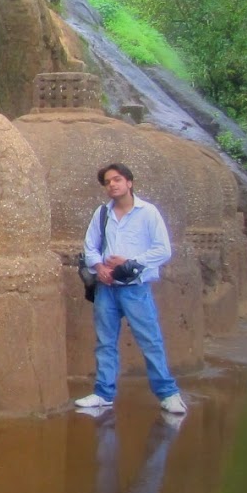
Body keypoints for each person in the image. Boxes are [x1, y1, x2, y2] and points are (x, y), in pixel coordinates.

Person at [74, 163, 187, 415]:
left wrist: (131, 263)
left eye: (117, 179)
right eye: (107, 181)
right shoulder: (102, 213)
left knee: (150, 341)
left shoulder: (148, 212)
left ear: (129, 182)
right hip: (106, 288)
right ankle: (103, 393)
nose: (112, 184)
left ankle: (168, 393)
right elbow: (90, 246)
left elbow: (163, 250)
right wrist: (99, 267)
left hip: (135, 288)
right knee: (105, 342)